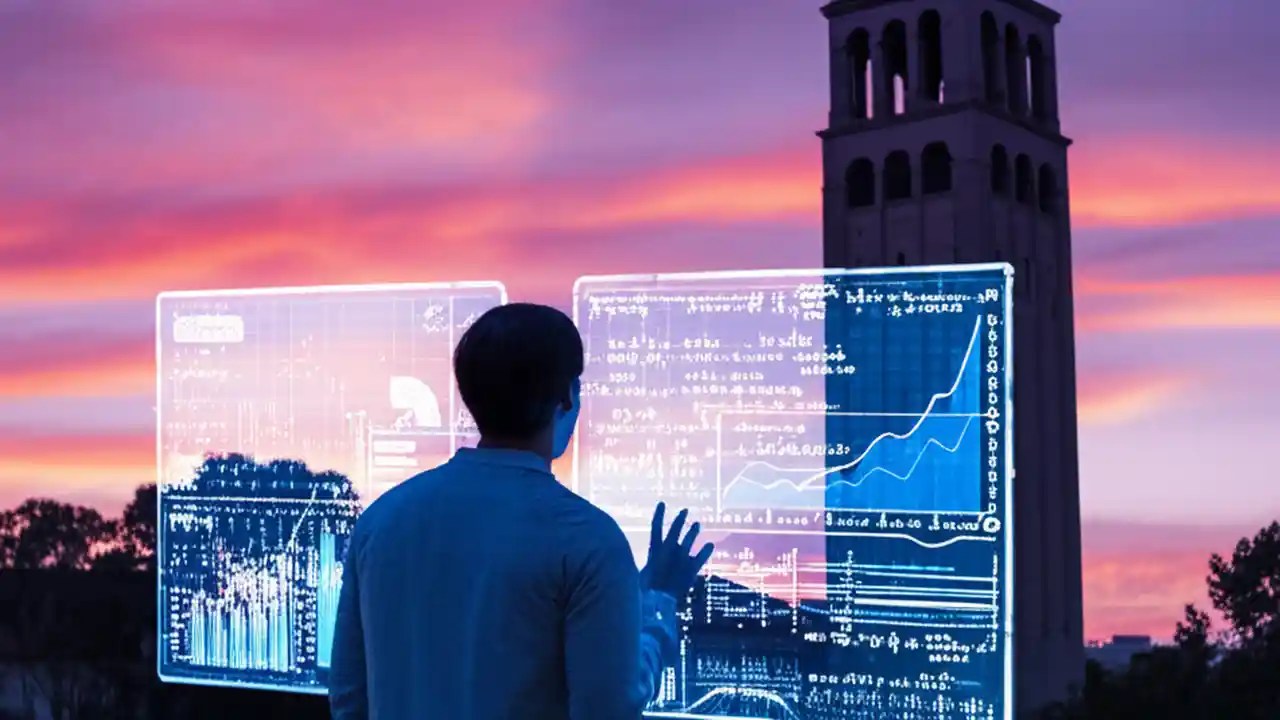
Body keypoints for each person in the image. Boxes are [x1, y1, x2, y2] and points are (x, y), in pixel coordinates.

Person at [329, 302, 713, 720]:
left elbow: (349, 699)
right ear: (567, 395)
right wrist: (657, 604)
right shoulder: (587, 541)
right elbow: (609, 708)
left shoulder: (382, 522)